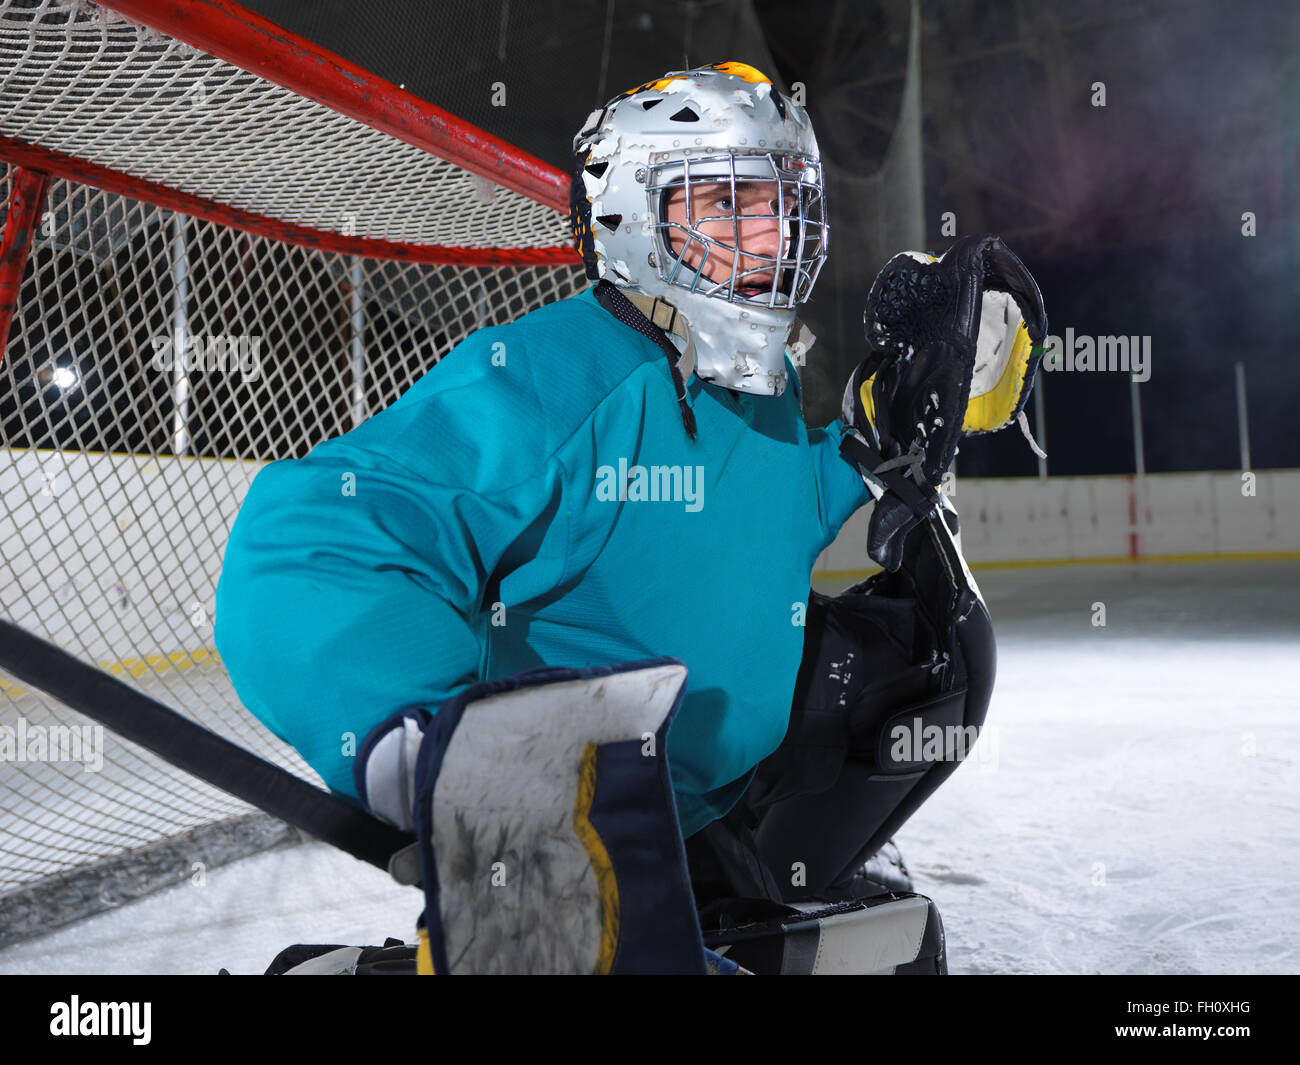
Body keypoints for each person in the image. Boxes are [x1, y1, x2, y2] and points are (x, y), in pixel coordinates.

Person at [214, 61, 1046, 974]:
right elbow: (303, 547)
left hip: (716, 787)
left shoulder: (753, 385)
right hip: (582, 822)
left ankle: (741, 873)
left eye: (781, 205)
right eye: (725, 205)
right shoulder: (541, 379)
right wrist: (444, 750)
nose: (767, 235)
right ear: (632, 217)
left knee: (934, 658)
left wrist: (868, 438)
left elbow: (757, 520)